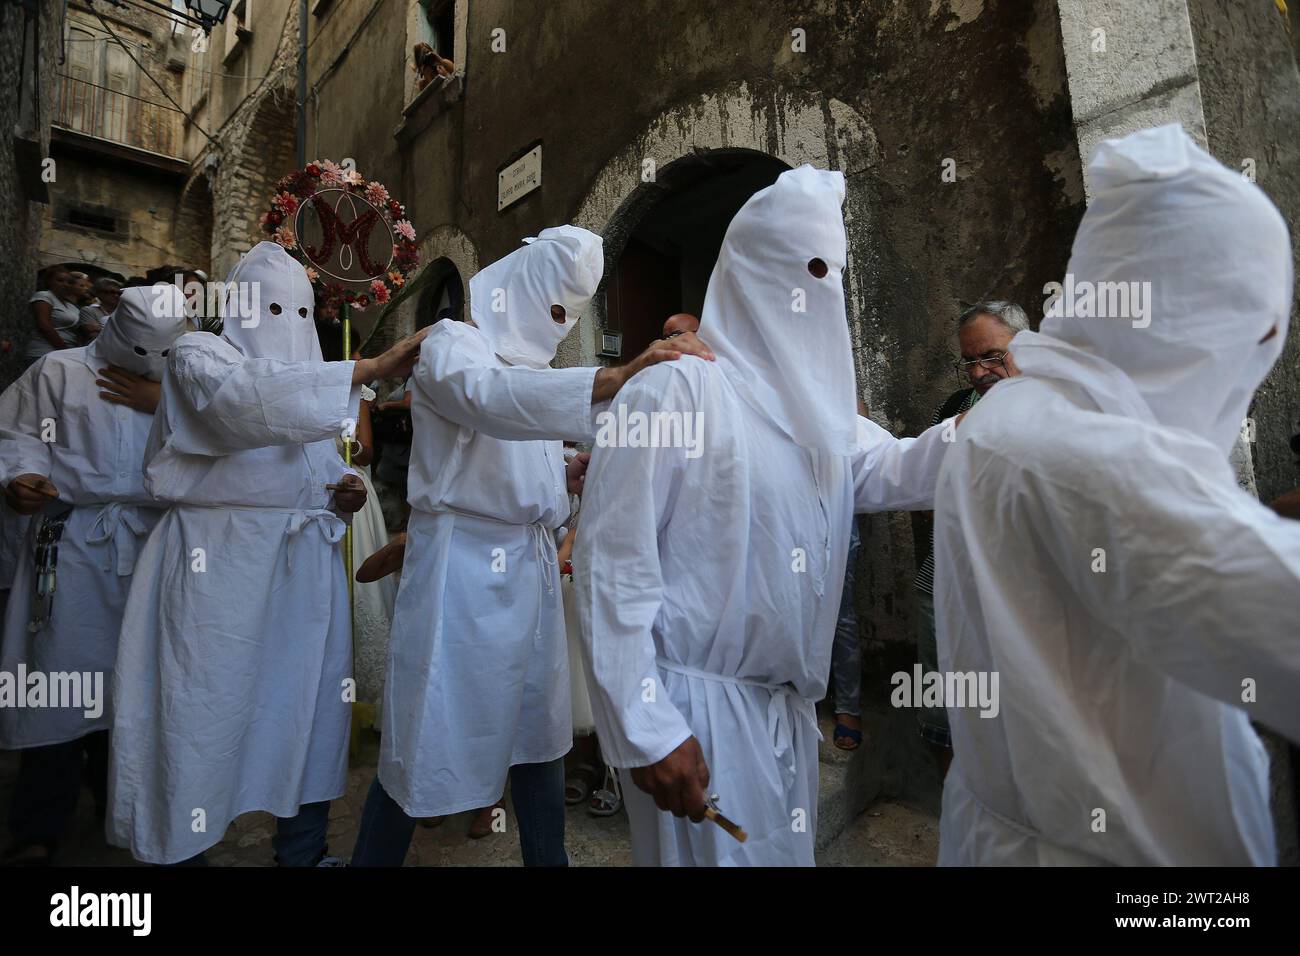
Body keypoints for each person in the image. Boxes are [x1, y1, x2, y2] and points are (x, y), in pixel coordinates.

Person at [933, 124, 1300, 866]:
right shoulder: (1082, 451)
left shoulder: (1018, 417)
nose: (1261, 347)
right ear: (1185, 314)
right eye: (1252, 324)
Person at [573, 166, 958, 866]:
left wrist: (1031, 411)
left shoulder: (823, 424)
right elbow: (612, 565)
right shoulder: (674, 393)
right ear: (749, 272)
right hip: (696, 717)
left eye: (828, 274)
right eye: (802, 269)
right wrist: (646, 727)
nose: (816, 292)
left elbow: (910, 465)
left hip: (784, 721)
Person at [350, 225, 713, 867]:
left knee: (537, 741)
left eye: (571, 312)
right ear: (518, 287)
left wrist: (564, 478)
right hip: (460, 579)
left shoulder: (538, 373)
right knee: (424, 740)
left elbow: (527, 442)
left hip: (530, 571)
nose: (559, 323)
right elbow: (493, 402)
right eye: (553, 306)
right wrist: (617, 375)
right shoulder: (453, 345)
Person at [107, 242, 427, 866]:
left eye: (301, 312)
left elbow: (319, 468)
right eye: (275, 308)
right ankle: (180, 850)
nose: (290, 324)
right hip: (214, 572)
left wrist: (342, 494)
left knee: (302, 713)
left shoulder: (312, 377)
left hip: (300, 575)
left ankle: (302, 853)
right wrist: (365, 368)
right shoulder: (202, 356)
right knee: (201, 713)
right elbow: (241, 404)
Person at [0, 284, 188, 865]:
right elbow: (17, 435)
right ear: (113, 332)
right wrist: (20, 477)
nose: (151, 365)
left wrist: (163, 401)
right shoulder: (56, 372)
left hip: (152, 546)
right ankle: (39, 821)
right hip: (76, 543)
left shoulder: (184, 385)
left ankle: (126, 806)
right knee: (59, 680)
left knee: (135, 682)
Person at [913, 300, 1026, 770]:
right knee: (942, 712)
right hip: (944, 583)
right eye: (969, 361)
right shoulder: (955, 408)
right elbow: (922, 482)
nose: (980, 371)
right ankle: (957, 812)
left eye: (993, 357)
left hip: (1018, 594)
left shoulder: (1060, 408)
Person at [25, 267, 83, 364]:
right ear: (49, 281)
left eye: (69, 282)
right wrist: (64, 349)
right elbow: (44, 325)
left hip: (64, 354)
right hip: (43, 352)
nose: (65, 284)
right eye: (60, 280)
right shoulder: (44, 296)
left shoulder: (70, 305)